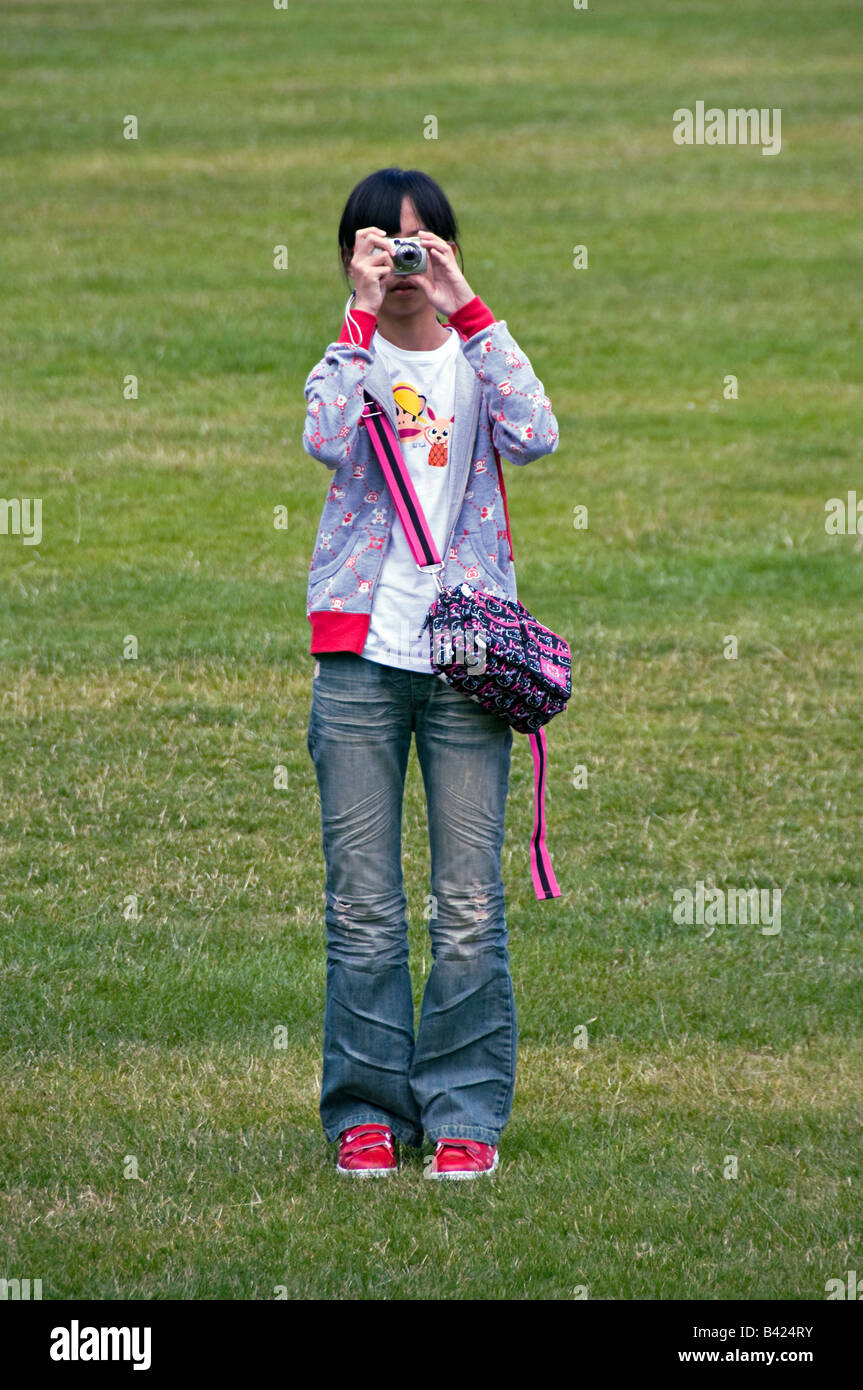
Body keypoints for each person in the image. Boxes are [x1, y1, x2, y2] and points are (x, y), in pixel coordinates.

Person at [302, 167, 559, 1179]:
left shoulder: (472, 362)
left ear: (447, 251)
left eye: (417, 244)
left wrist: (471, 309)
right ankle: (364, 1110)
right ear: (348, 258)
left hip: (463, 657)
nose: (399, 260)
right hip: (359, 657)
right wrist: (358, 318)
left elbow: (536, 433)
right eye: (377, 243)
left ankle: (461, 1111)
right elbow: (321, 435)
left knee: (464, 902)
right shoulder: (348, 360)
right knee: (361, 901)